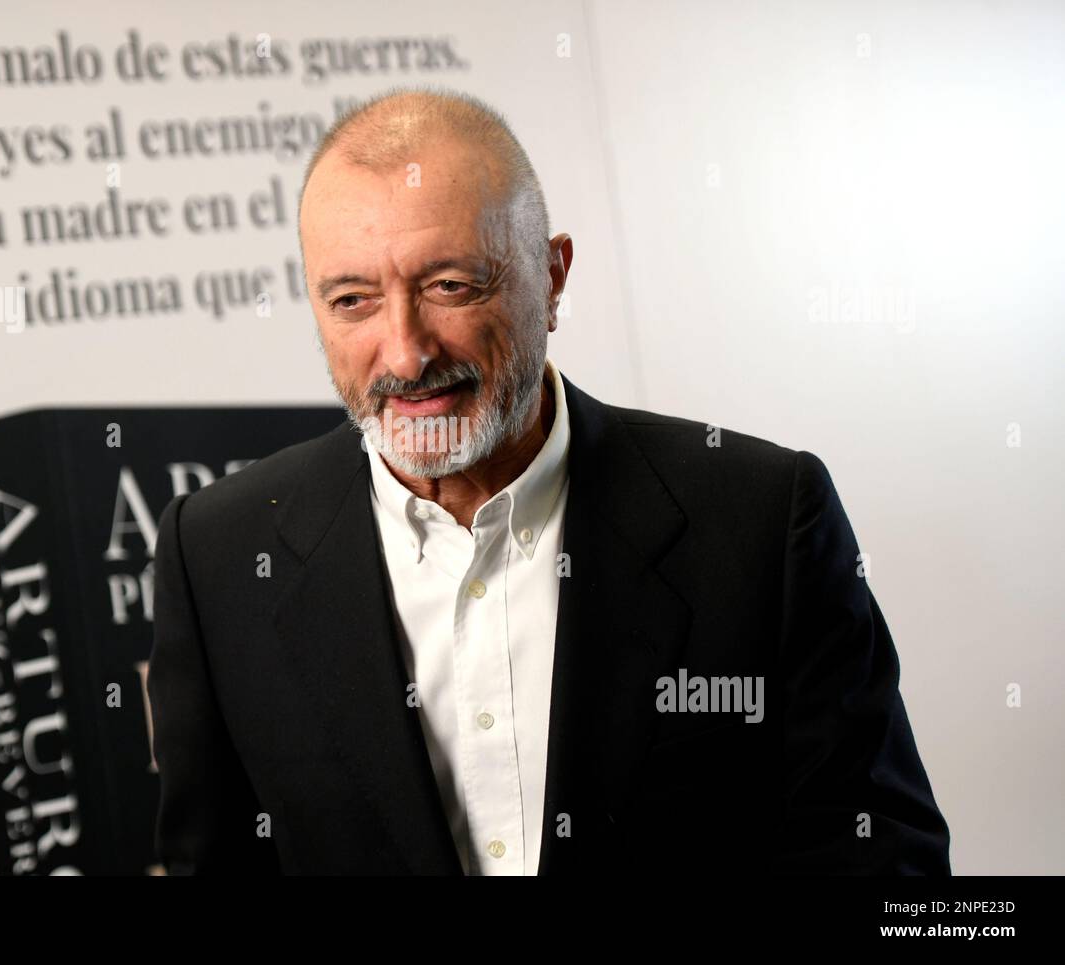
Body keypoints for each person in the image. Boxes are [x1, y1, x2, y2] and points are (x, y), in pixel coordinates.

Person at [146, 86, 951, 875]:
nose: (404, 353)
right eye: (353, 299)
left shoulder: (765, 520)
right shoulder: (215, 558)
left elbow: (885, 863)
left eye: (448, 286)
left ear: (553, 277)